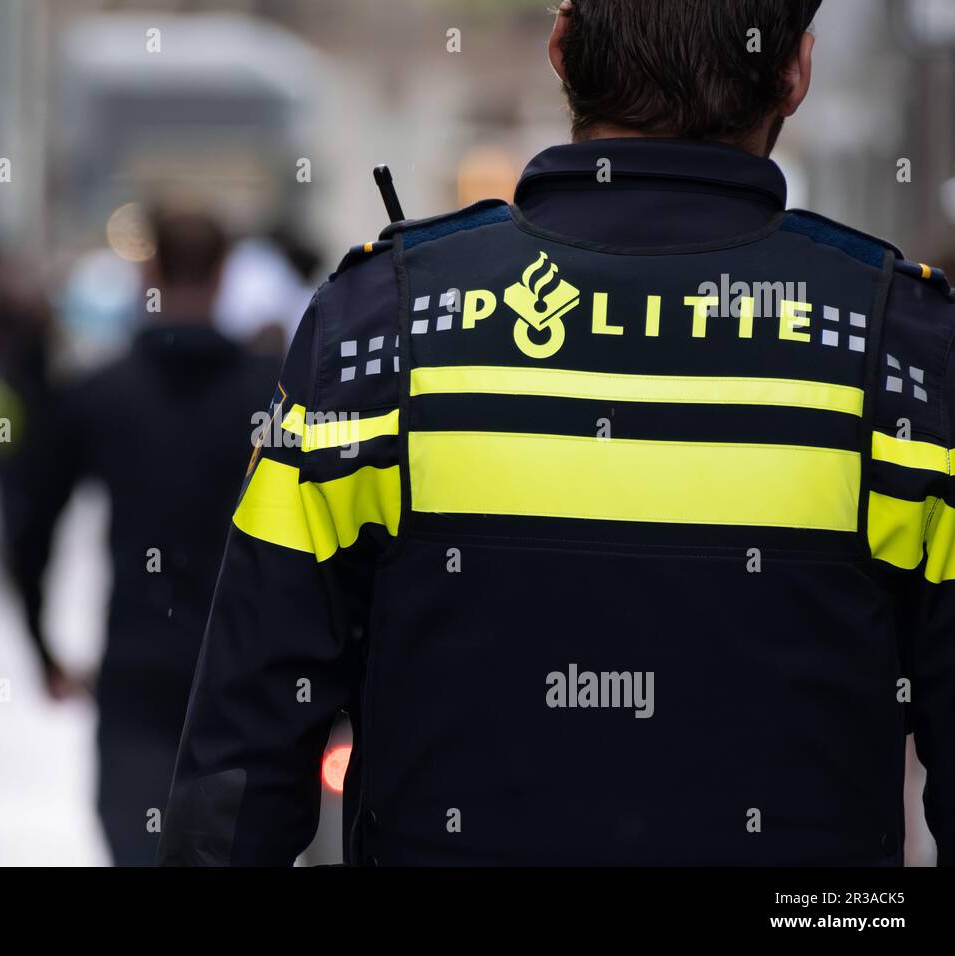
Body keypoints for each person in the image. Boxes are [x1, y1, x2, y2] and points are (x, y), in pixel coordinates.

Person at [158, 0, 955, 866]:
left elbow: (238, 763)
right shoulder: (899, 347)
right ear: (797, 71)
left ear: (562, 47)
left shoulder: (380, 324)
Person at [9, 209, 278, 865]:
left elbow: (28, 524)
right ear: (222, 278)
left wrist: (42, 645)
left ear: (148, 274)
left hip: (136, 667)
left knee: (138, 848)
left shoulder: (101, 395)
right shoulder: (271, 397)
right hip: (241, 676)